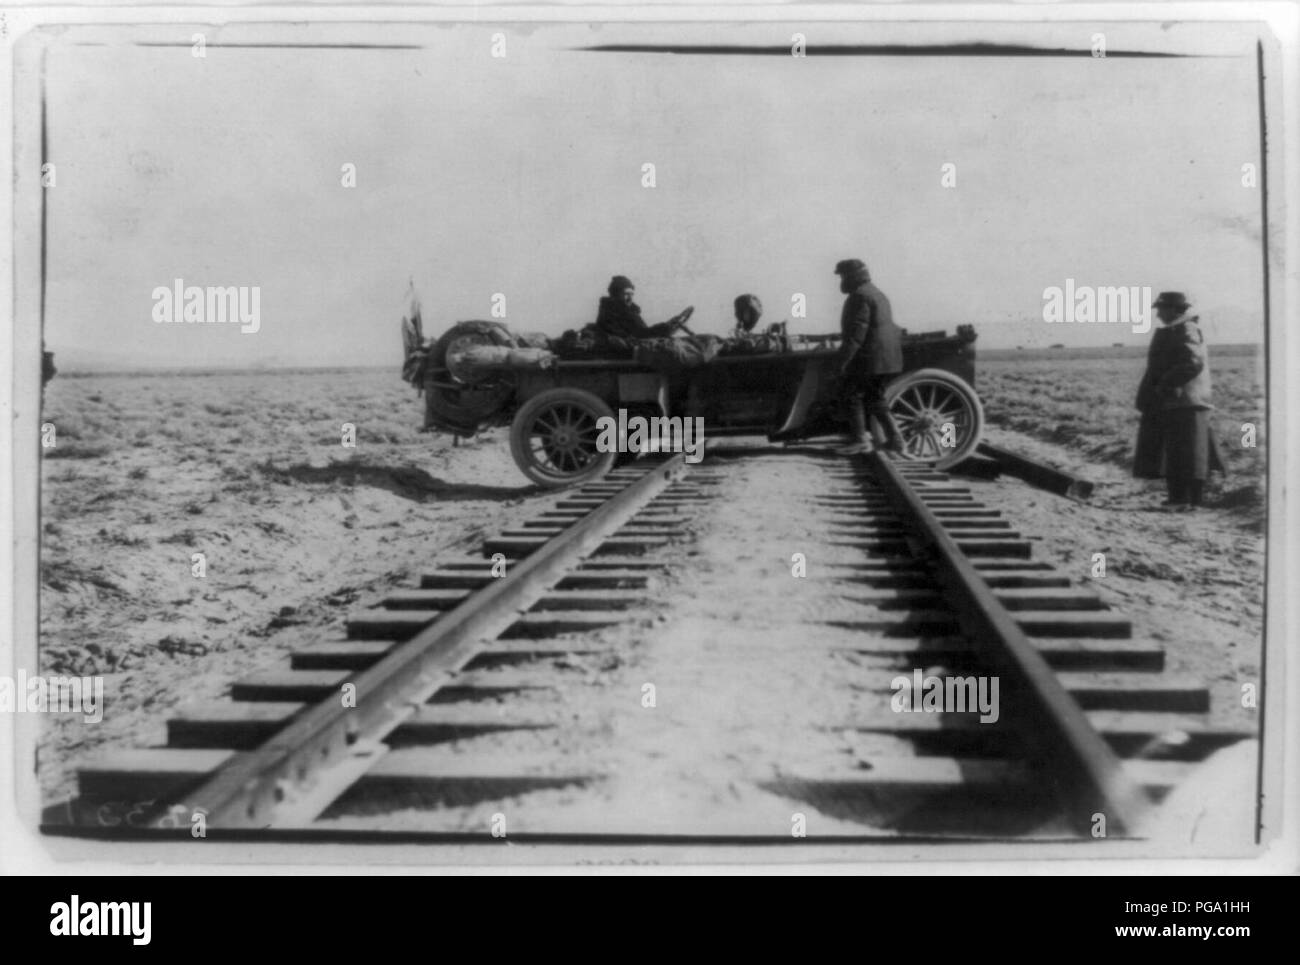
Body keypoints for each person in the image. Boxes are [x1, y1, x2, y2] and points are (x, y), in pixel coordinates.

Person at [1133, 291, 1223, 509]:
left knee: (1186, 453)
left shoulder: (1186, 328)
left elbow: (1192, 362)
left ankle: (1184, 500)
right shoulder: (1180, 328)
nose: (1159, 314)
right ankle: (1185, 499)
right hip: (1181, 401)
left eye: (1162, 309)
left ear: (1175, 309)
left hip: (1185, 400)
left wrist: (1167, 384)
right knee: (1184, 452)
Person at [834, 259, 904, 455]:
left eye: (843, 276)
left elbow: (856, 335)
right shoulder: (877, 293)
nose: (841, 280)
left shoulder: (859, 296)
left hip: (871, 359)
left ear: (852, 276)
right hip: (886, 358)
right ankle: (896, 439)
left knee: (851, 393)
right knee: (876, 398)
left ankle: (860, 441)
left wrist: (841, 363)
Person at [594, 276, 689, 340]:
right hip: (625, 353)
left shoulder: (628, 311)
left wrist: (666, 326)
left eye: (632, 294)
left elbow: (642, 332)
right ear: (616, 294)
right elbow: (639, 334)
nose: (630, 298)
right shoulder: (612, 312)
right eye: (626, 294)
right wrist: (663, 328)